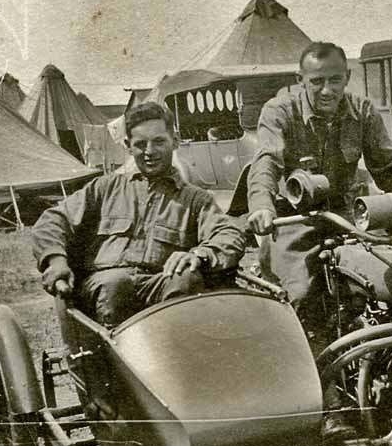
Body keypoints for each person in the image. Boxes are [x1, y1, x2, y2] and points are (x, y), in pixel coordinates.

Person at [246, 41, 392, 444]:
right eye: (317, 82)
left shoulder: (362, 111)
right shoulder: (278, 111)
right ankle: (330, 406)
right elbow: (267, 161)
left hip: (349, 217)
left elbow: (390, 165)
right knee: (302, 296)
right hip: (292, 220)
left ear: (347, 78)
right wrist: (262, 204)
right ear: (302, 81)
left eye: (335, 80)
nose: (327, 90)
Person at [31, 101, 246, 326]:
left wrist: (198, 254)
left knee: (185, 278)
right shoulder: (104, 188)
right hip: (105, 286)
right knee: (117, 284)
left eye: (159, 142)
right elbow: (53, 220)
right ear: (128, 146)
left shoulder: (196, 199)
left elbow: (229, 234)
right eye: (140, 144)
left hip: (161, 286)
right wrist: (56, 261)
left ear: (175, 141)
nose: (150, 152)